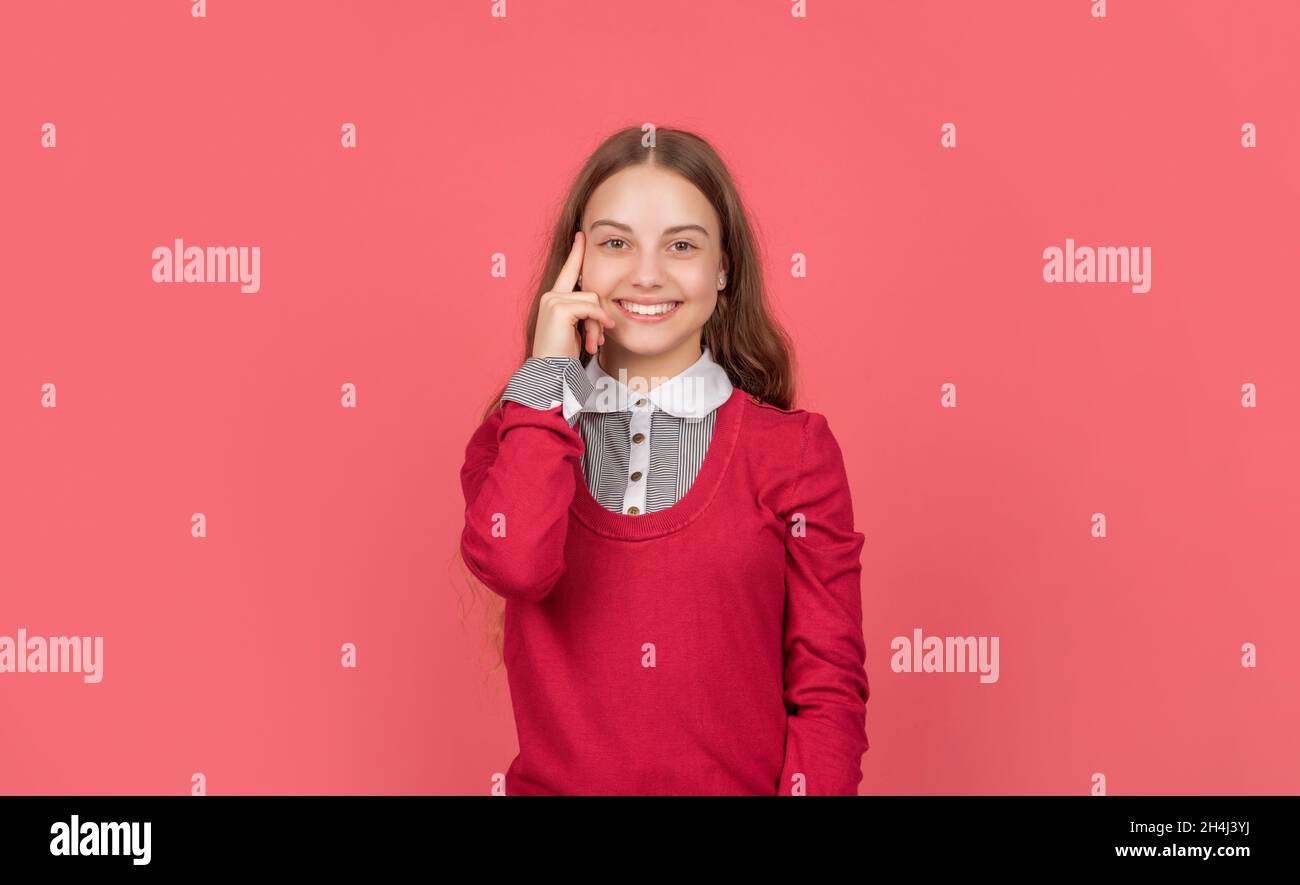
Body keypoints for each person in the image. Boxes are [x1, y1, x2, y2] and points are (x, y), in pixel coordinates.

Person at [457, 126, 869, 795]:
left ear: (724, 267)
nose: (647, 273)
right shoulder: (517, 437)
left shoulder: (793, 454)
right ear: (576, 266)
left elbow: (829, 690)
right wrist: (548, 376)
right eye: (616, 243)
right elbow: (517, 563)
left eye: (682, 245)